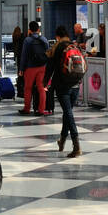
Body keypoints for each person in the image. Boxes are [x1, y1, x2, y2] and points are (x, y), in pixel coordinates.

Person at [44, 26, 82, 157]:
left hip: (63, 85)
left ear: (57, 36)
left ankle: (76, 145)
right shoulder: (74, 45)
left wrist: (45, 83)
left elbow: (50, 67)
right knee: (68, 113)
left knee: (68, 113)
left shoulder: (58, 47)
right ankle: (62, 141)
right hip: (76, 84)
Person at [19, 21, 50, 115]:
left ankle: (27, 109)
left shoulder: (27, 40)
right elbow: (48, 53)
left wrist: (21, 69)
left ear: (29, 30)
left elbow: (24, 55)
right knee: (41, 88)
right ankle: (41, 110)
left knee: (28, 88)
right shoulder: (44, 39)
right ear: (38, 29)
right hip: (42, 67)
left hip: (30, 67)